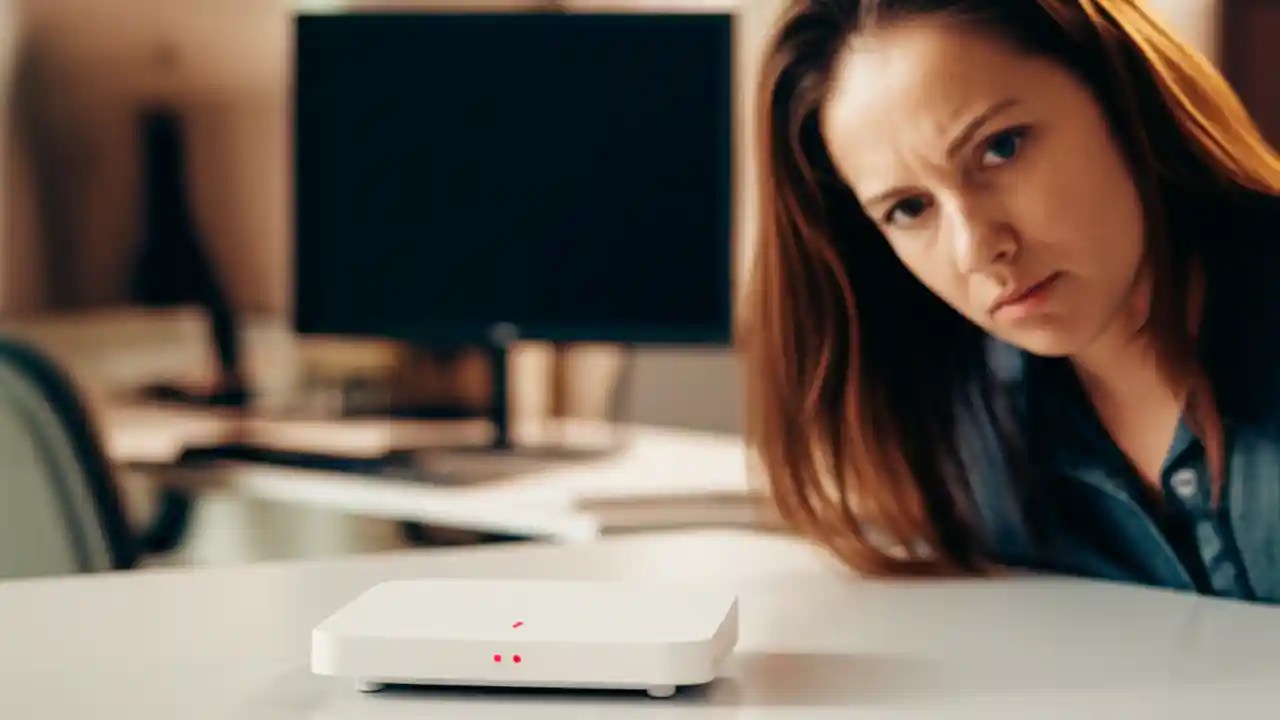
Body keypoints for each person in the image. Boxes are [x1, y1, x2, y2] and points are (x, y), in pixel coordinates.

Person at [744, 0, 1280, 603]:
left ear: (1121, 94)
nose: (976, 249)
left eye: (1000, 148)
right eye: (909, 209)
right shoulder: (956, 434)